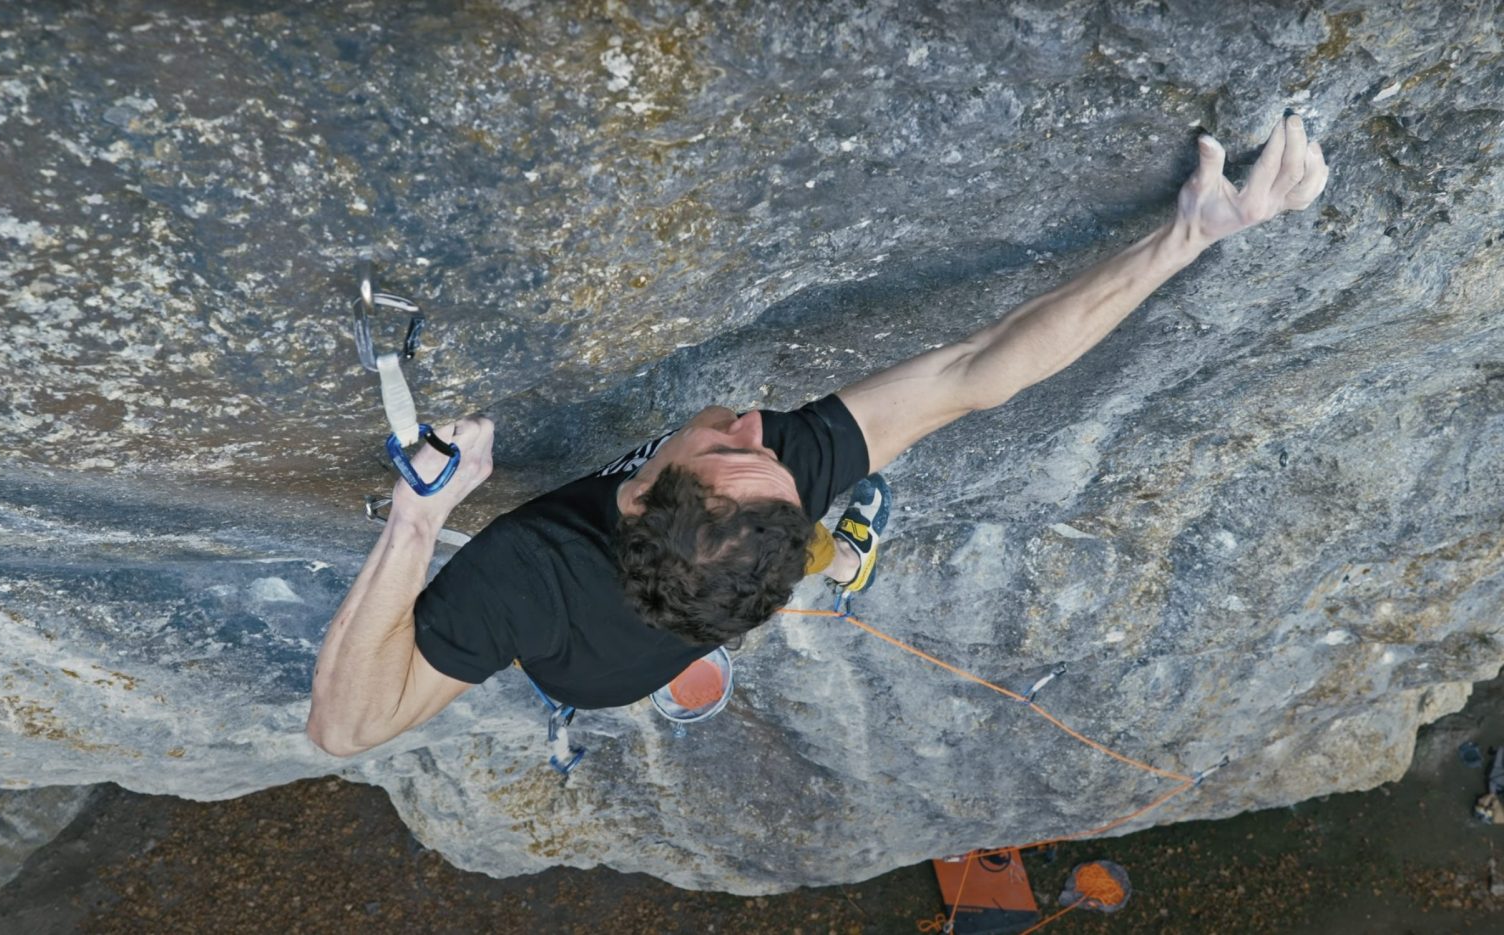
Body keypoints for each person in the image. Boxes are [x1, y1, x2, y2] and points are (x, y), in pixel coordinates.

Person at [307, 113, 1328, 757]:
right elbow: (983, 373)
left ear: (641, 492)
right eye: (755, 451)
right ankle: (832, 566)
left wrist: (417, 519)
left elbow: (345, 729)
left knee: (647, 637)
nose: (756, 422)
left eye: (732, 448)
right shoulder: (776, 481)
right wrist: (1189, 236)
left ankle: (820, 570)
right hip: (645, 650)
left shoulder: (527, 576)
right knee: (796, 554)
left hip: (577, 670)